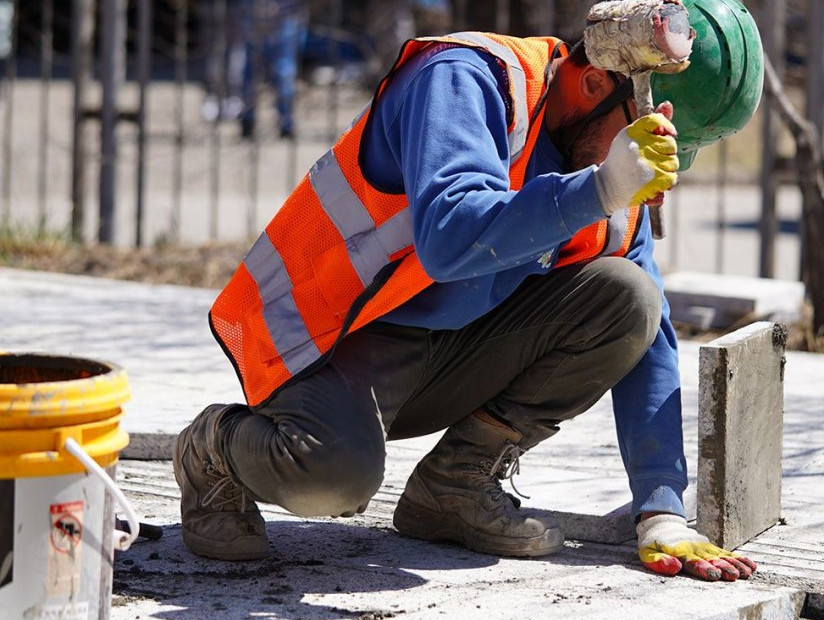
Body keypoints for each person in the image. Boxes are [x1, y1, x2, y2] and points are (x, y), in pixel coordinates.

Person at [174, 0, 764, 582]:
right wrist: (599, 187)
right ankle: (214, 448)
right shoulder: (466, 78)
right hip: (330, 342)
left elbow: (647, 336)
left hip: (445, 355)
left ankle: (455, 487)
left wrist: (661, 509)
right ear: (591, 85)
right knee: (332, 480)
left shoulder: (607, 176)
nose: (650, 164)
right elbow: (449, 237)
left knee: (629, 296)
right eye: (643, 134)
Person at [233, 0, 306, 139]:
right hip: (253, 22)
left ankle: (286, 124)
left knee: (283, 74)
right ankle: (247, 120)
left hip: (284, 22)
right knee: (249, 76)